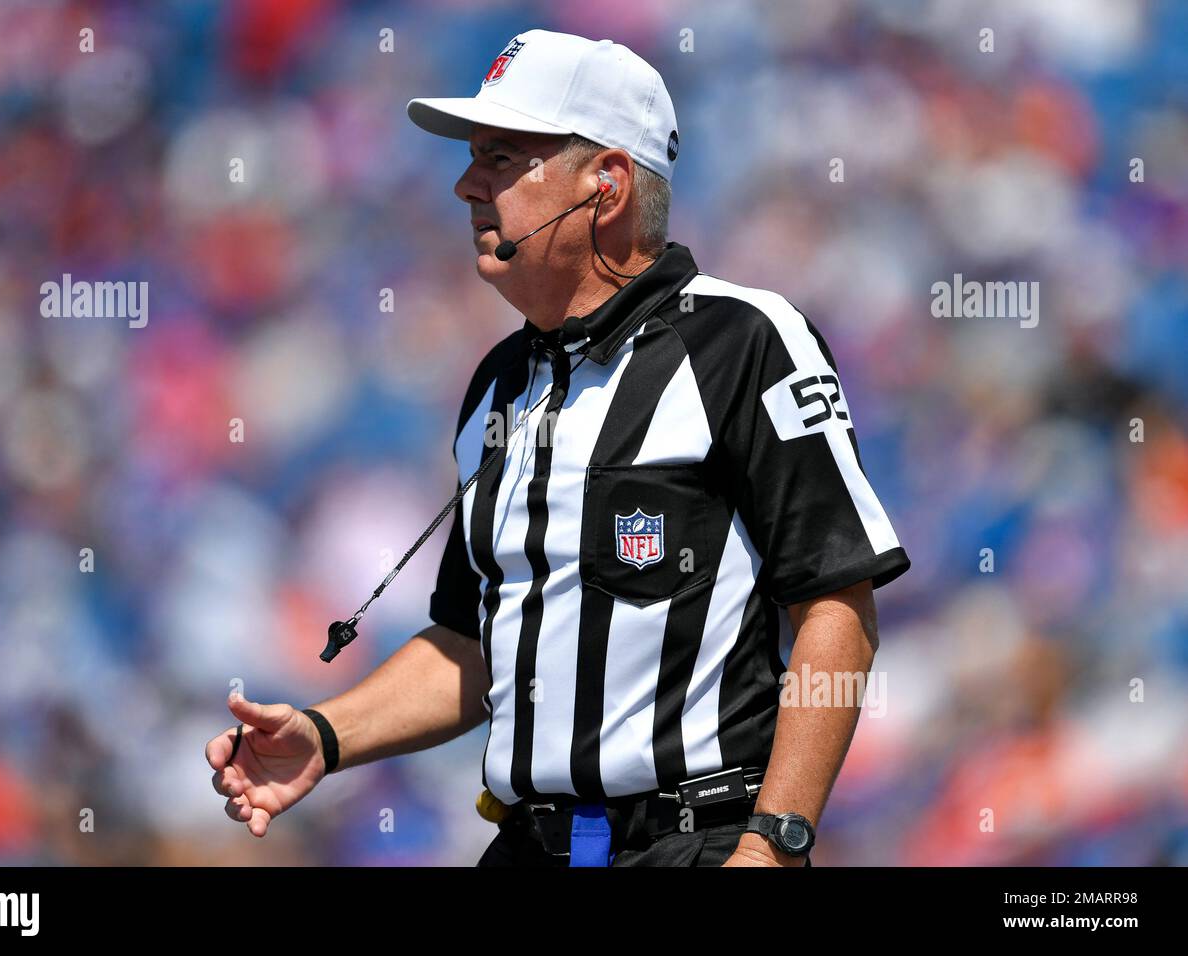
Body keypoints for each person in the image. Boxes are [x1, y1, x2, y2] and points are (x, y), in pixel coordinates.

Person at [207, 28, 910, 867]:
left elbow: (836, 606)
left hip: (693, 844)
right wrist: (326, 735)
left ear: (605, 186)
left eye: (503, 158)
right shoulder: (500, 380)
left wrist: (777, 839)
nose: (468, 183)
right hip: (528, 848)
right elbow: (477, 643)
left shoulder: (746, 340)